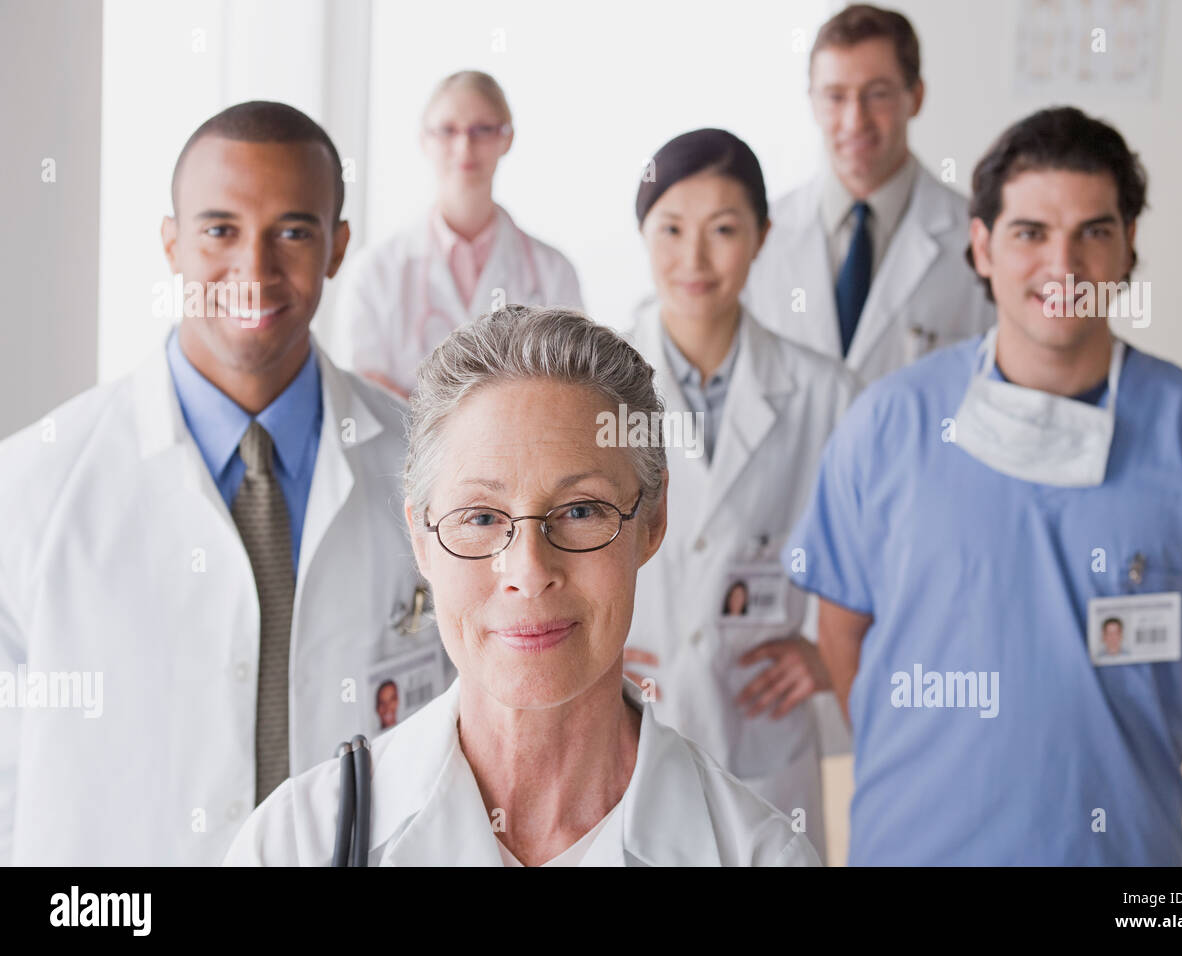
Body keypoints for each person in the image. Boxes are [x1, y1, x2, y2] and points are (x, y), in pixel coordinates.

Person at [784, 107, 1182, 865]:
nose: (1065, 267)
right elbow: (842, 631)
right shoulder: (889, 423)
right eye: (1030, 233)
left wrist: (1122, 751)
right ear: (983, 247)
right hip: (913, 842)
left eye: (1095, 231)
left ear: (1128, 250)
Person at [0, 101, 451, 866]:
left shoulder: (432, 467)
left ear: (338, 247)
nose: (255, 269)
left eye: (294, 231)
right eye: (219, 230)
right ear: (171, 244)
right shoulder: (33, 485)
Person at [224, 306, 822, 866]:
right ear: (422, 538)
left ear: (653, 520)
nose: (530, 572)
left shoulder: (759, 854)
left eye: (582, 510)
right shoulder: (296, 845)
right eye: (481, 518)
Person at [623, 129, 858, 863]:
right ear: (643, 234)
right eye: (671, 229)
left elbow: (885, 558)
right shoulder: (589, 384)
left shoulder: (828, 393)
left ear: (762, 235)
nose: (693, 260)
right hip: (627, 713)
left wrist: (826, 654)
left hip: (759, 724)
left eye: (723, 230)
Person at [743, 3, 992, 387]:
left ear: (917, 97)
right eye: (835, 96)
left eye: (877, 94)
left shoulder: (976, 240)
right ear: (812, 101)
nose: (854, 120)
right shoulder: (759, 235)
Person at [335, 71, 584, 399]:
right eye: (447, 130)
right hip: (404, 451)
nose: (465, 146)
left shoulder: (552, 271)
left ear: (506, 138)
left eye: (482, 130)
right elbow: (363, 392)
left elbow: (570, 387)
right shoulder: (374, 271)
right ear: (424, 140)